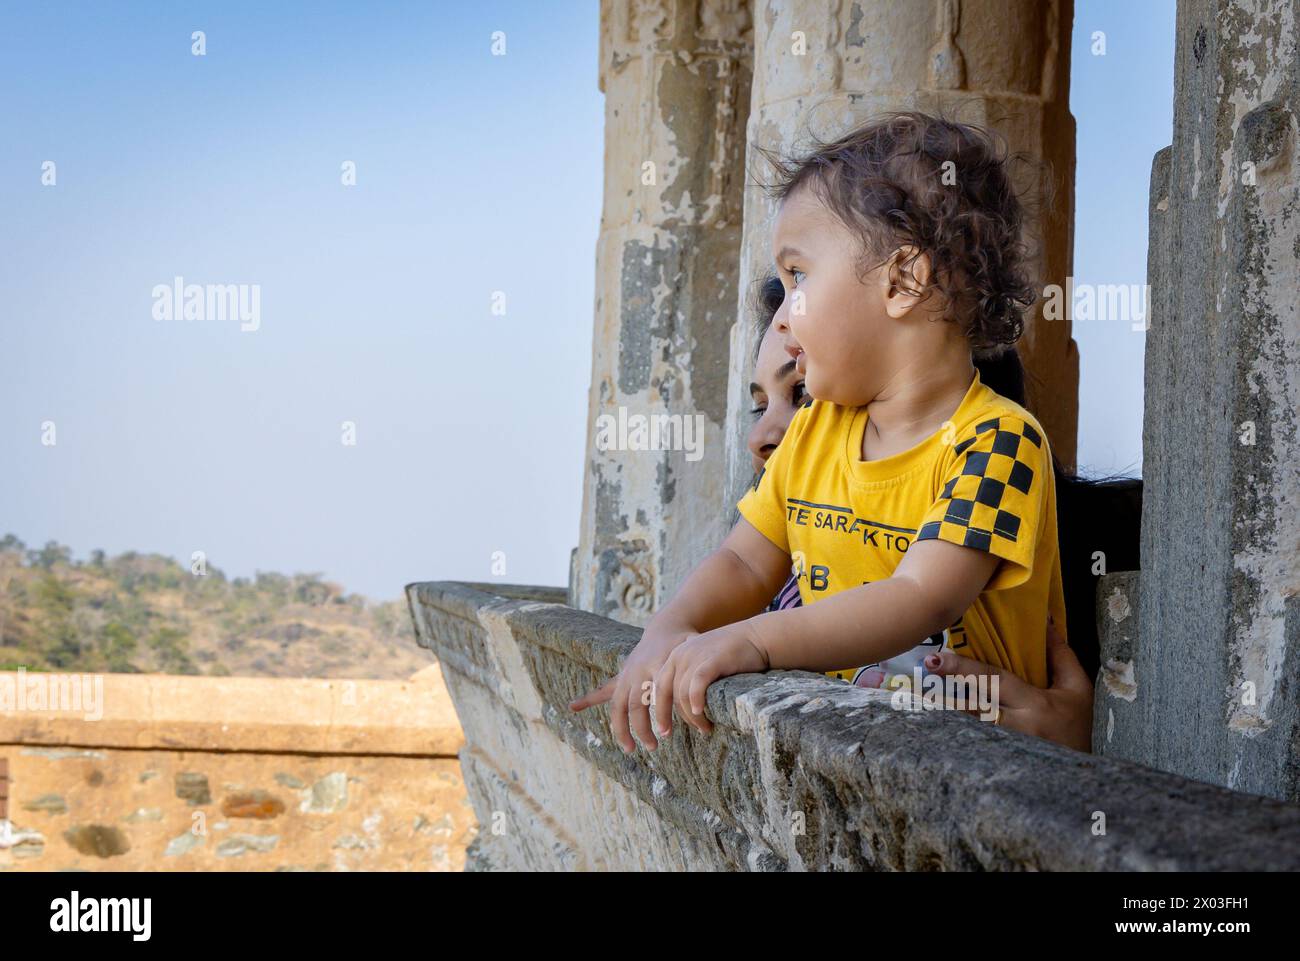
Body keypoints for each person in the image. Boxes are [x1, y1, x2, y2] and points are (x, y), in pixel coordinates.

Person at [571, 111, 1084, 755]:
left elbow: (921, 595)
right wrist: (668, 631)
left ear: (903, 280)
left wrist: (754, 639)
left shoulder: (999, 441)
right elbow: (744, 559)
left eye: (799, 278)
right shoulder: (818, 431)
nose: (781, 317)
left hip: (976, 757)